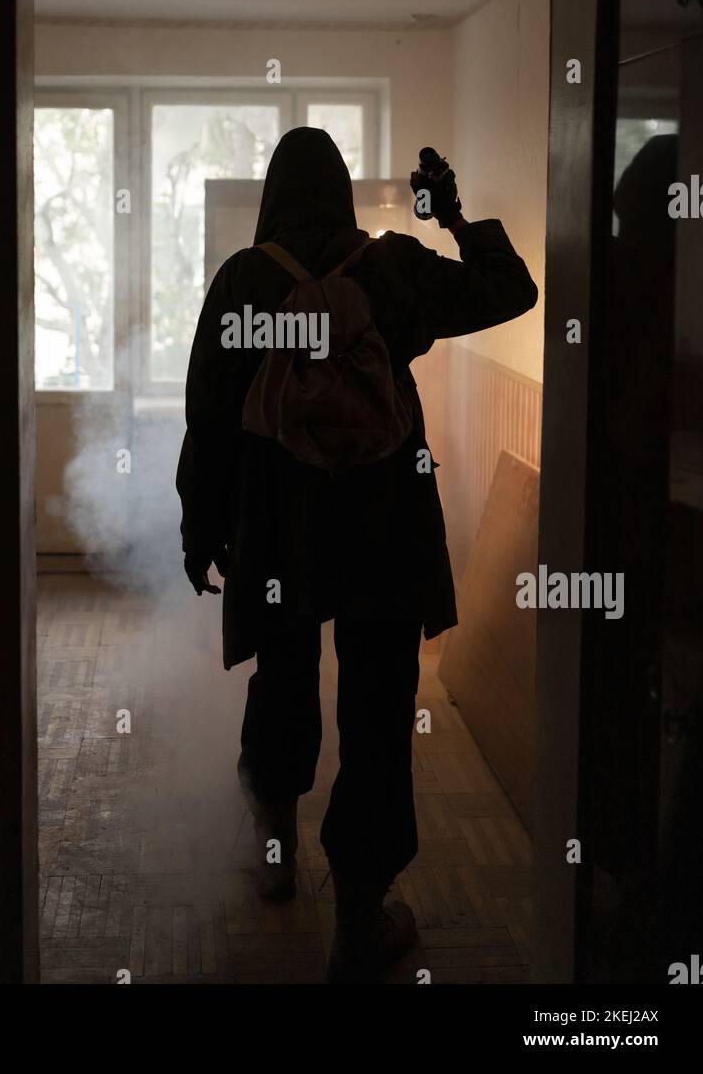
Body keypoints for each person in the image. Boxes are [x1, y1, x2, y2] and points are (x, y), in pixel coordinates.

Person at [176, 126, 538, 982]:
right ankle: (359, 919)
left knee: (283, 677)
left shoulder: (243, 279)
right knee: (379, 711)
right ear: (339, 192)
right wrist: (452, 215)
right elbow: (512, 289)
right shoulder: (391, 265)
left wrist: (201, 529)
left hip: (278, 528)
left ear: (274, 194)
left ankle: (276, 858)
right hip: (384, 527)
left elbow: (209, 417)